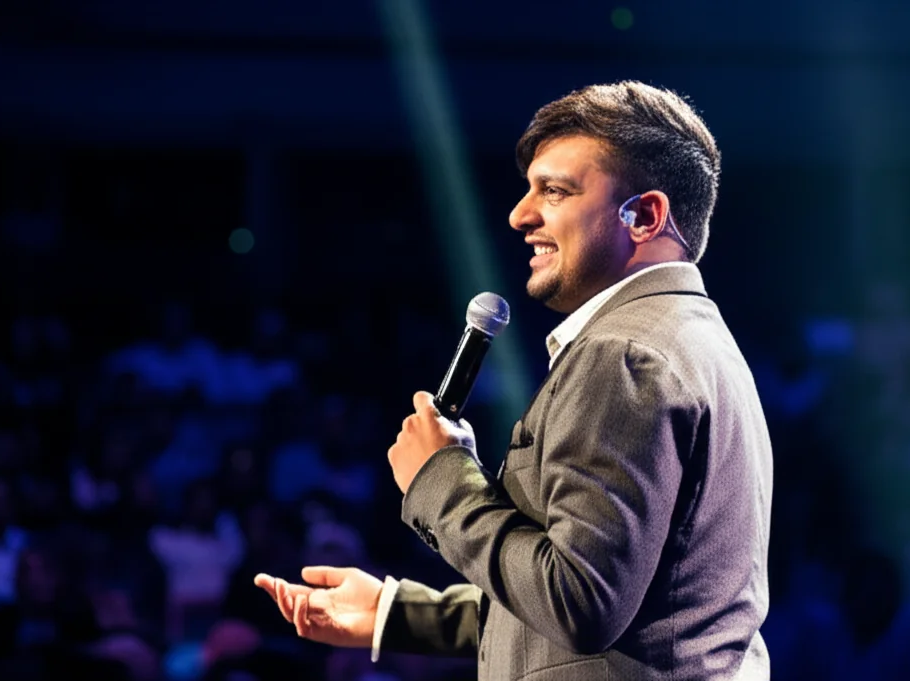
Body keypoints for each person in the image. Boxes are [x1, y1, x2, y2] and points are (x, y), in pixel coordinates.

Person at [255, 80, 773, 680]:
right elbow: (604, 605)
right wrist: (396, 615)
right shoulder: (694, 341)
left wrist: (442, 480)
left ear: (646, 216)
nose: (520, 215)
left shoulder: (623, 355)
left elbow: (579, 600)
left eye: (554, 191)